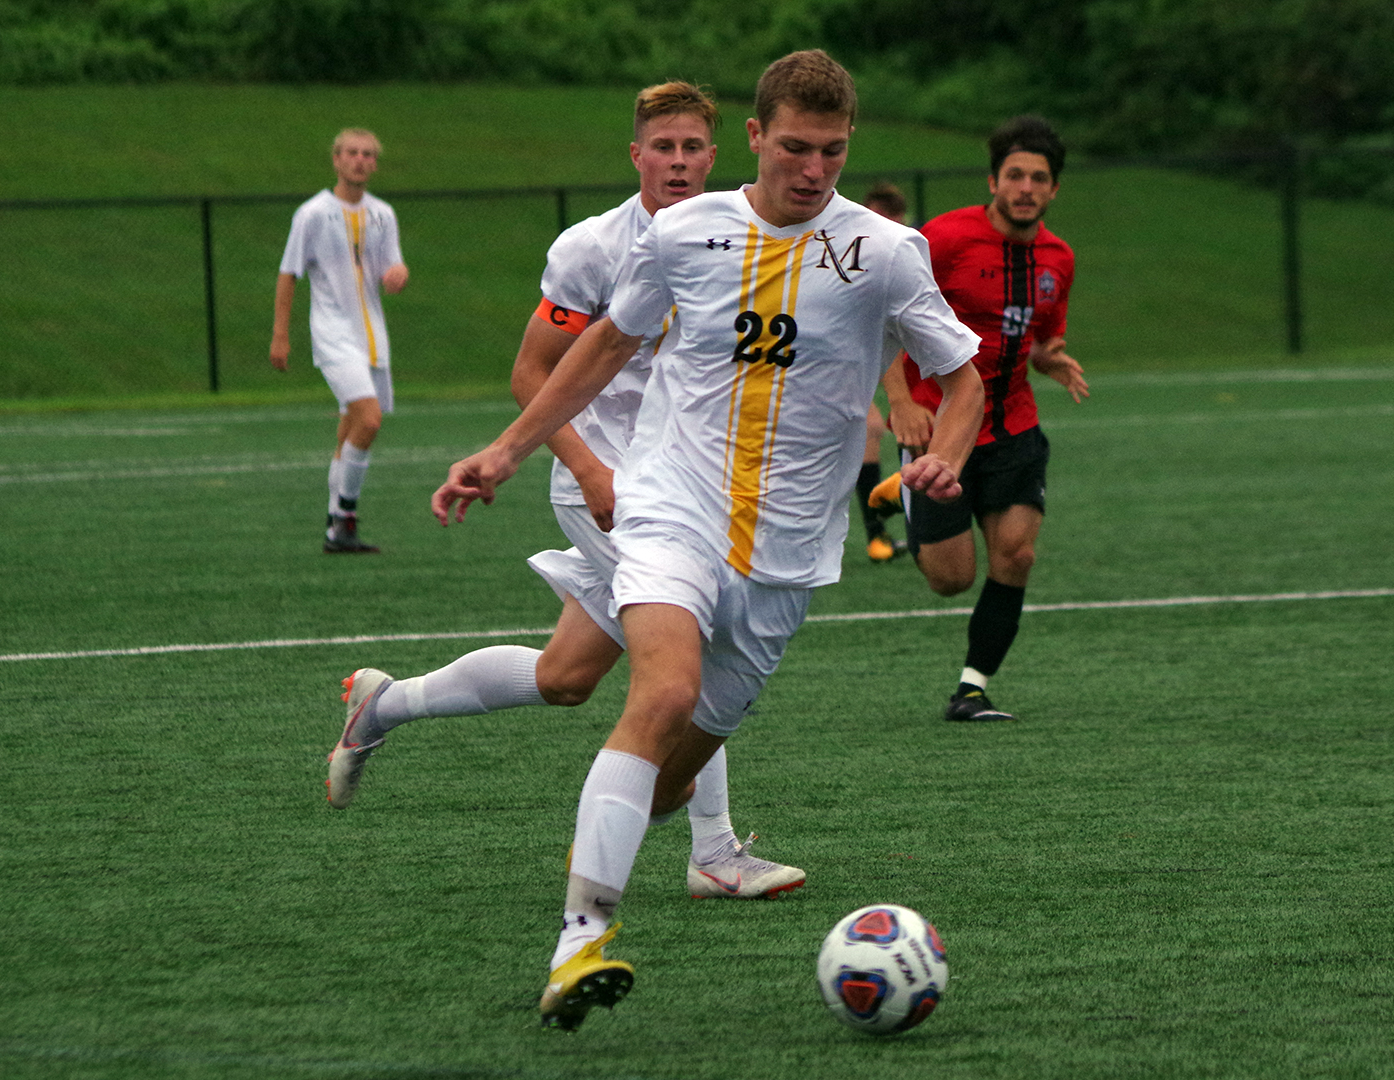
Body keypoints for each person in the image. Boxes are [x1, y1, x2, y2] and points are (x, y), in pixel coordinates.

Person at [431, 49, 983, 1031]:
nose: (814, 170)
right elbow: (605, 343)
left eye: (833, 151)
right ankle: (579, 943)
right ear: (758, 138)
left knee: (669, 777)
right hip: (672, 504)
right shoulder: (684, 232)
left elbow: (962, 376)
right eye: (796, 148)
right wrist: (508, 450)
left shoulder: (887, 250)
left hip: (788, 557)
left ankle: (623, 857)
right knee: (663, 692)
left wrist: (945, 453)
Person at [321, 84, 806, 902]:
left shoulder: (736, 236)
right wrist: (587, 470)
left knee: (565, 677)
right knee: (695, 640)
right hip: (607, 484)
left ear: (716, 157)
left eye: (692, 147)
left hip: (693, 485)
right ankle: (714, 853)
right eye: (663, 147)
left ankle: (383, 705)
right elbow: (531, 372)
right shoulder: (592, 247)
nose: (678, 162)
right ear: (636, 155)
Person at [873, 116, 1089, 721]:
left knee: (1016, 556)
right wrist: (901, 400)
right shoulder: (943, 239)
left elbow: (1039, 335)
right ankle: (898, 490)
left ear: (1054, 189)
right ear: (993, 181)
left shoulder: (1059, 259)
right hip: (940, 427)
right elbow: (881, 317)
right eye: (1014, 175)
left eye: (1038, 179)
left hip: (1014, 425)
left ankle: (971, 689)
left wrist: (1049, 360)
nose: (1025, 188)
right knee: (951, 579)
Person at [272, 128, 410, 554]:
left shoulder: (383, 214)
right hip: (333, 334)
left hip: (373, 337)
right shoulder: (313, 213)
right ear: (336, 159)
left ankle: (336, 528)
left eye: (368, 154)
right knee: (369, 420)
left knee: (350, 427)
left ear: (375, 163)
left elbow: (392, 268)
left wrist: (398, 275)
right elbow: (288, 273)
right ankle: (346, 517)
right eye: (352, 153)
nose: (359, 160)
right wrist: (280, 335)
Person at [856, 180, 912, 562]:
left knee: (870, 429)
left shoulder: (902, 255)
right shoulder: (850, 254)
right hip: (806, 366)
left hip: (856, 364)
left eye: (891, 219)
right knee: (869, 428)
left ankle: (880, 530)